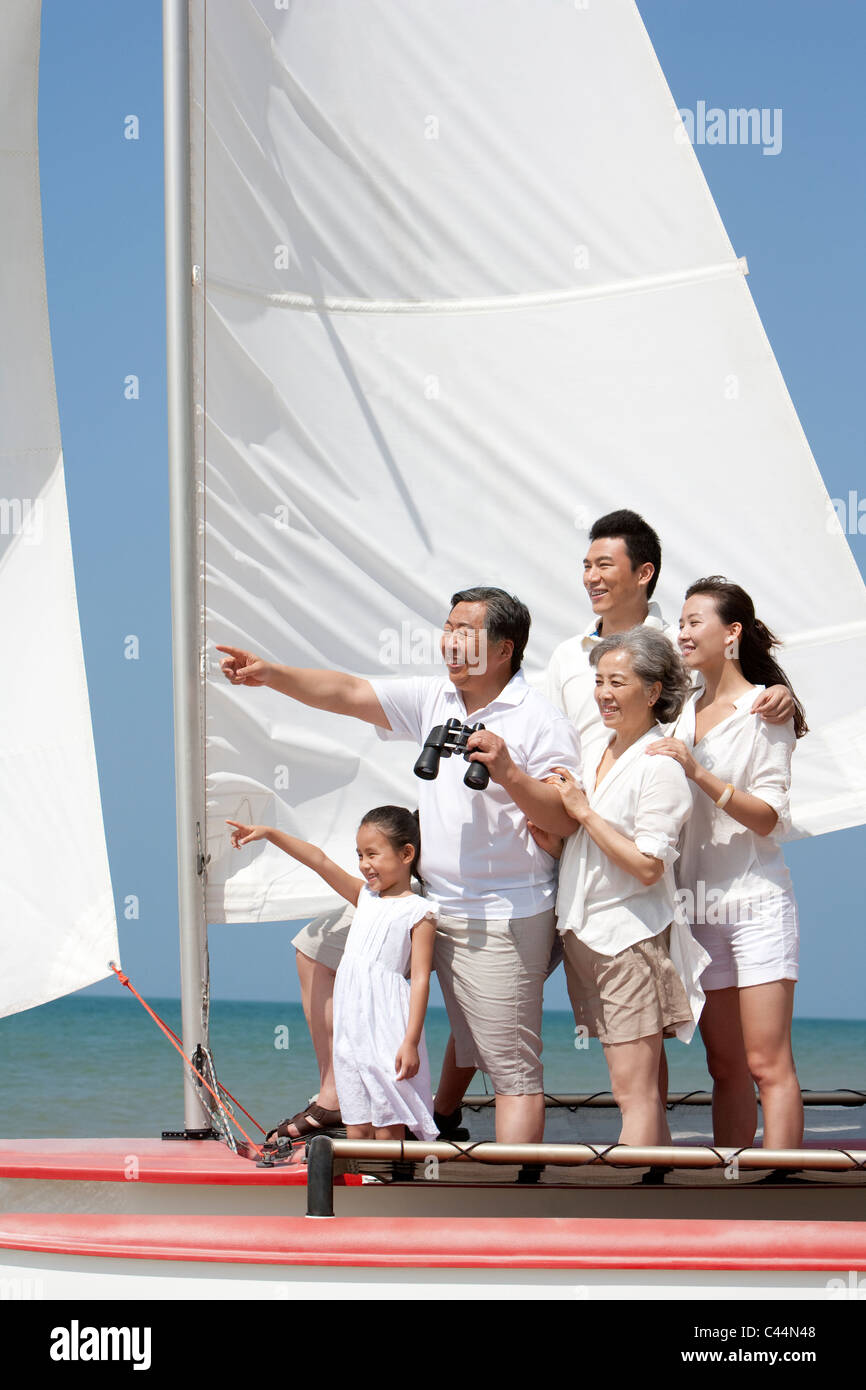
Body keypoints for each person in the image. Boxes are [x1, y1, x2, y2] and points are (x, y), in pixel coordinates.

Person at [218, 586, 581, 1144]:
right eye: (448, 627)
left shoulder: (540, 719)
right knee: (318, 948)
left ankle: (510, 1207)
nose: (450, 642)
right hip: (422, 899)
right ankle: (337, 1096)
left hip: (500, 915)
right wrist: (272, 675)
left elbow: (563, 819)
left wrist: (508, 771)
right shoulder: (438, 699)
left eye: (466, 631)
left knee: (511, 1074)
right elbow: (348, 691)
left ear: (504, 649)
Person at [647, 577, 807, 1149]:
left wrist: (698, 773)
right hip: (696, 908)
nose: (683, 631)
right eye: (681, 622)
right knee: (725, 1067)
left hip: (757, 902)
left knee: (767, 1061)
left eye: (695, 621)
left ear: (731, 632)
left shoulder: (765, 709)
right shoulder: (680, 710)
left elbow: (767, 816)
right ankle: (733, 1179)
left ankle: (783, 1182)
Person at [550, 628, 710, 1146]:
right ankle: (654, 1194)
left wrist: (581, 812)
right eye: (598, 681)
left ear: (653, 690)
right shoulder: (599, 747)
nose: (604, 693)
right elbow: (593, 845)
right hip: (586, 933)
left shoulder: (659, 764)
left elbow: (647, 866)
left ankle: (629, 1206)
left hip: (628, 939)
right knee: (632, 1086)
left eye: (617, 682)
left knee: (632, 1091)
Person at [228, 805, 440, 1143]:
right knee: (356, 1118)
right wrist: (270, 833)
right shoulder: (365, 896)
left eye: (372, 853)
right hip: (351, 1026)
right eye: (359, 854)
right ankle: (357, 1181)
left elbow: (421, 980)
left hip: (387, 1024)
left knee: (388, 1118)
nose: (364, 863)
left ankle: (386, 1182)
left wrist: (411, 1041)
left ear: (406, 854)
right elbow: (319, 860)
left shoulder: (420, 911)